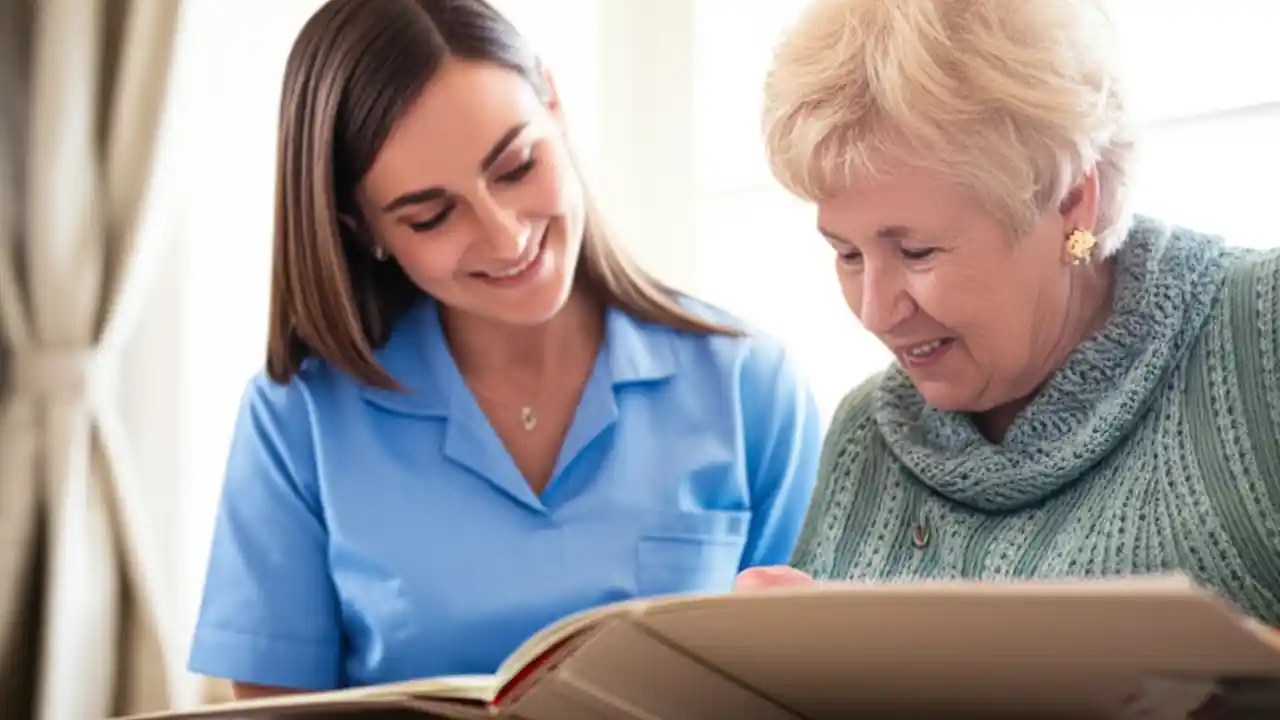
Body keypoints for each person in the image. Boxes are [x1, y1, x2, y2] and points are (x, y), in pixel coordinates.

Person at [187, 0, 821, 697]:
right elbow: (276, 711)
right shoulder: (298, 418)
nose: (505, 237)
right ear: (363, 229)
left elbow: (798, 686)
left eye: (517, 167)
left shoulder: (747, 385)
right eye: (431, 216)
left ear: (554, 105)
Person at [736, 0, 1280, 626]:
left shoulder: (1255, 334)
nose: (874, 310)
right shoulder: (868, 433)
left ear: (1072, 201)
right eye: (847, 253)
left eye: (916, 251)